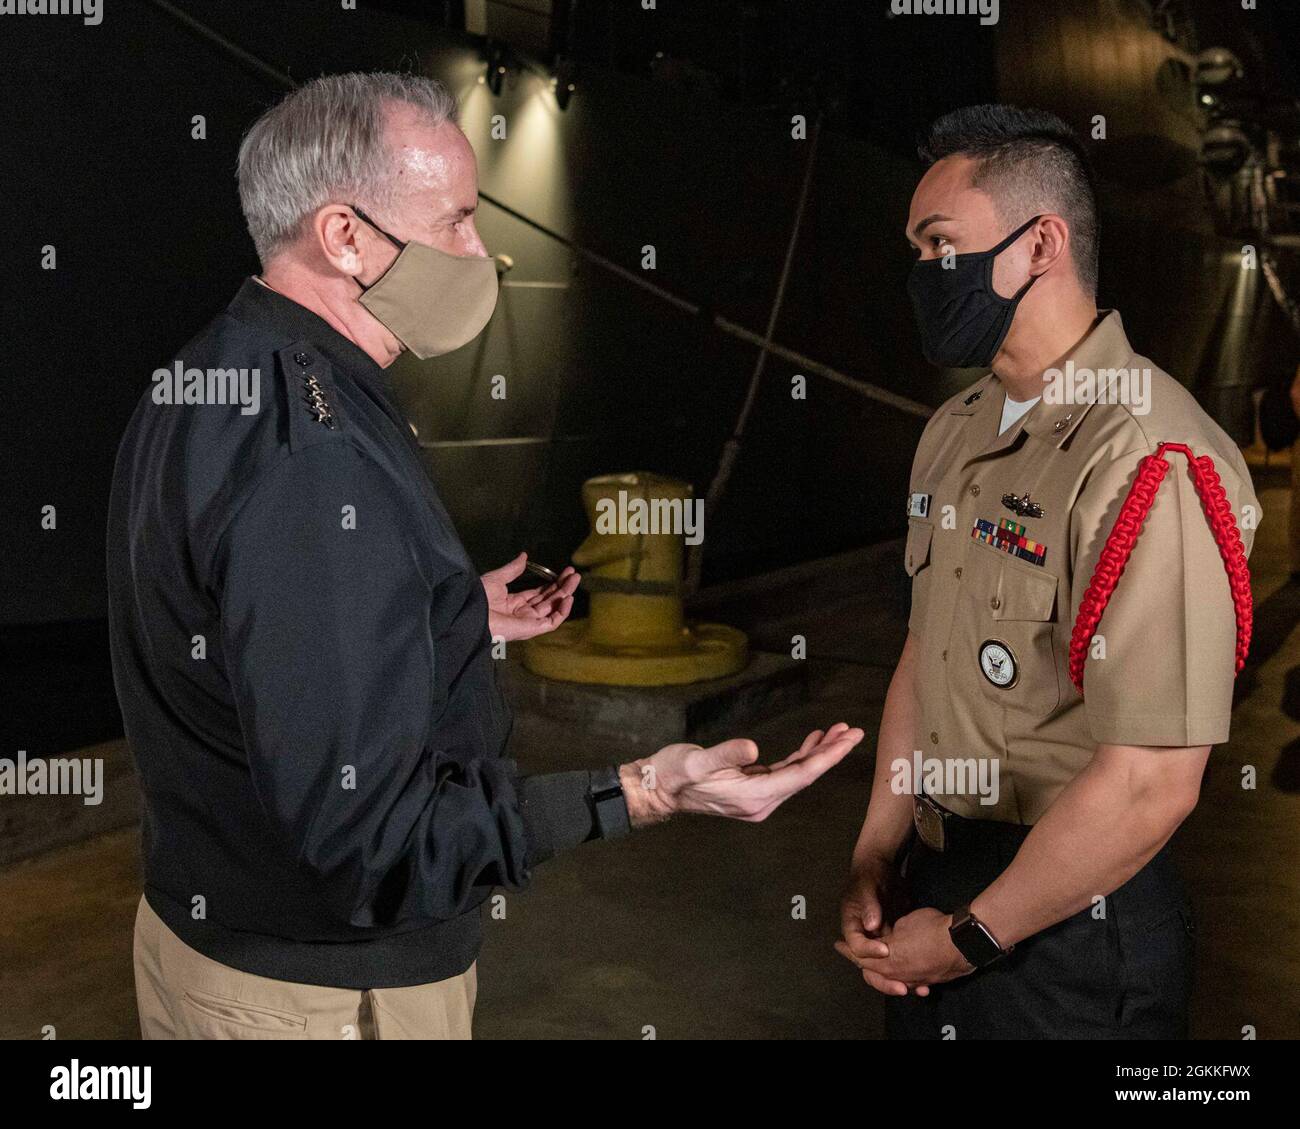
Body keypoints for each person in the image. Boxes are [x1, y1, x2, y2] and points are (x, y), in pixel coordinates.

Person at [108, 72, 862, 1041]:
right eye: (456, 221)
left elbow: (245, 618)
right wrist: (641, 790)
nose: (479, 250)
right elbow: (372, 845)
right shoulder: (317, 456)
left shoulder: (216, 370)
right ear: (344, 236)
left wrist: (438, 605)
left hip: (209, 933)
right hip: (326, 996)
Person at [836, 104, 1259, 1039]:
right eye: (914, 250)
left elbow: (1153, 780)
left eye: (939, 243)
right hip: (937, 888)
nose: (922, 274)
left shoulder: (1149, 457)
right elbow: (924, 652)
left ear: (1040, 245)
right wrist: (878, 853)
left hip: (1068, 930)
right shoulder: (953, 431)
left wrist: (971, 937)